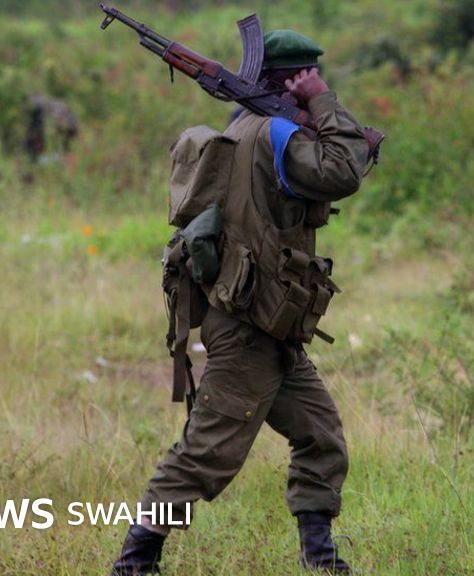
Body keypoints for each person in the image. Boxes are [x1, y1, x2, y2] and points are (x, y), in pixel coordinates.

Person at [111, 28, 370, 575]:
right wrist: (322, 99)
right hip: (250, 326)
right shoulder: (277, 133)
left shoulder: (252, 127)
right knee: (209, 452)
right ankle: (135, 562)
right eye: (310, 76)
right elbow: (341, 172)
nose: (320, 86)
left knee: (320, 437)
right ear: (295, 79)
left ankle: (321, 562)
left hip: (272, 323)